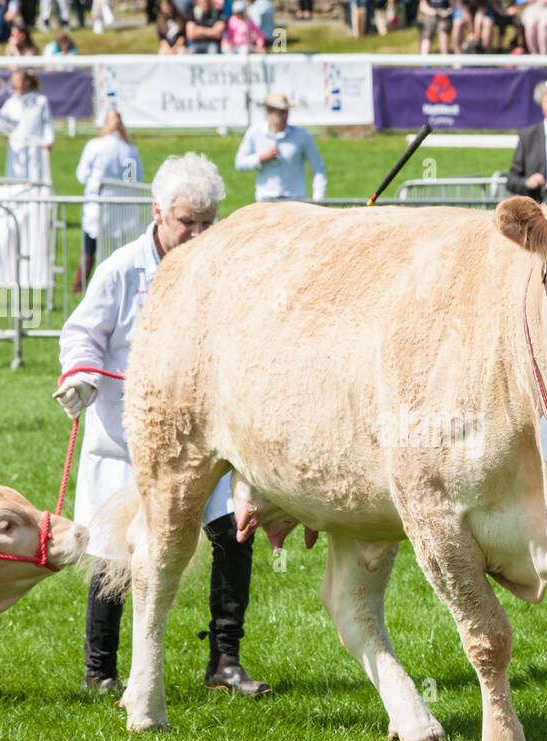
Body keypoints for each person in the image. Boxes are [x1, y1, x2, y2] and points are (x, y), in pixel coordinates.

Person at [55, 154, 272, 698]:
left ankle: (225, 662)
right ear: (158, 213)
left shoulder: (222, 270)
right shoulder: (122, 269)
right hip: (126, 441)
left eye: (208, 222)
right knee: (115, 553)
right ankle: (100, 670)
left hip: (204, 438)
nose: (198, 234)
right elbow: (83, 332)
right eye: (187, 223)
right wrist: (80, 377)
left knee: (231, 536)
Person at [73, 107, 141, 293]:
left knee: (90, 247)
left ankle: (80, 287)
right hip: (120, 207)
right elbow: (133, 180)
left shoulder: (95, 145)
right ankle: (113, 286)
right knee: (117, 249)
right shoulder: (129, 150)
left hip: (97, 204)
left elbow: (82, 175)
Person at [234, 92, 326, 202]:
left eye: (286, 112)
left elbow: (318, 167)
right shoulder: (255, 132)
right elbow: (239, 163)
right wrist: (260, 158)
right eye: (280, 112)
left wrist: (318, 199)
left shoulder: (302, 136)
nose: (285, 116)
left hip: (295, 201)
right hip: (265, 200)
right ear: (269, 112)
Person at [0, 67, 54, 181]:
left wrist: (49, 140)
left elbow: (47, 123)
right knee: (16, 178)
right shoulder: (11, 102)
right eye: (14, 81)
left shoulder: (41, 101)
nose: (15, 84)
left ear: (27, 82)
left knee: (35, 177)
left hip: (35, 145)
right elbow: (1, 123)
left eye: (18, 81)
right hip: (16, 146)